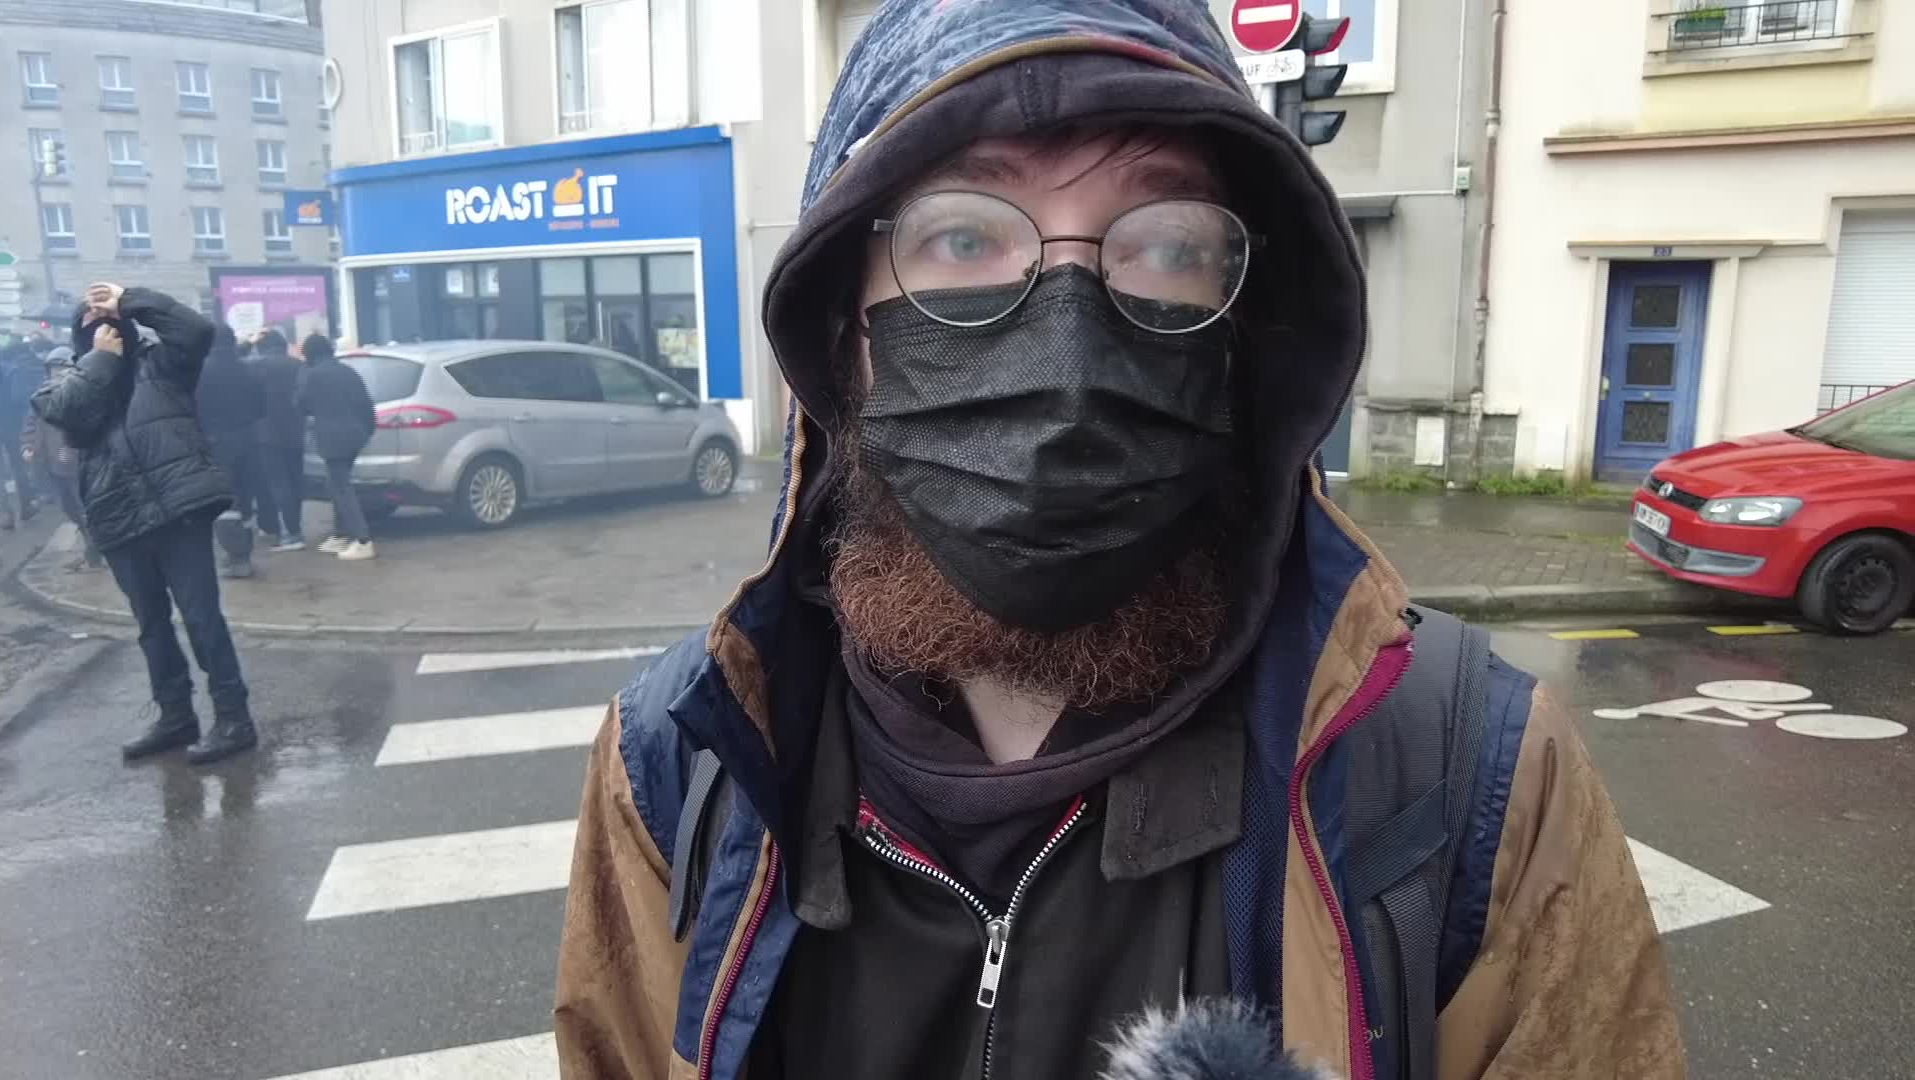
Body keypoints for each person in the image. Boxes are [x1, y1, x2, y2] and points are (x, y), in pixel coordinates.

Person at [551, 5, 1686, 1080]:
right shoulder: (679, 769)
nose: (1071, 342)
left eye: (1167, 246)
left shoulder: (1467, 776)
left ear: (1241, 337)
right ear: (840, 333)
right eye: (961, 235)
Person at [32, 282, 258, 765]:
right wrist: (100, 362)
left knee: (202, 618)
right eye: (92, 322)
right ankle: (175, 716)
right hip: (119, 518)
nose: (103, 327)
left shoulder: (161, 366)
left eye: (109, 318)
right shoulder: (71, 380)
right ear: (80, 337)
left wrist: (129, 297)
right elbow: (59, 411)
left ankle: (233, 718)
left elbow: (197, 330)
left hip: (177, 509)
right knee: (151, 625)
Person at [294, 333, 377, 561]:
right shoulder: (348, 372)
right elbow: (367, 406)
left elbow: (300, 405)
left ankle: (363, 540)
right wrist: (366, 432)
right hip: (355, 435)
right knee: (334, 484)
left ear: (309, 354)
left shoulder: (313, 375)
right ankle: (341, 534)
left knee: (340, 487)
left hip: (334, 439)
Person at [20, 345, 103, 570]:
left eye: (62, 368)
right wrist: (28, 445)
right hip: (53, 465)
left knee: (86, 511)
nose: (58, 373)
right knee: (70, 509)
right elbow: (31, 422)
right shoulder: (42, 393)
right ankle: (91, 548)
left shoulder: (82, 391)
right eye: (54, 369)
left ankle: (94, 553)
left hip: (78, 465)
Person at [194, 323, 266, 578]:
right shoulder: (249, 369)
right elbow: (261, 408)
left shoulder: (200, 371)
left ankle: (236, 557)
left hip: (215, 443)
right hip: (248, 440)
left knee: (224, 501)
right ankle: (244, 551)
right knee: (246, 500)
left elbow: (193, 410)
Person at [249, 328, 306, 551]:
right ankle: (296, 527)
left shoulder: (254, 367)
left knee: (278, 483)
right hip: (295, 430)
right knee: (295, 481)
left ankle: (291, 533)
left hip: (266, 433)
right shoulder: (298, 365)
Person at [0, 332, 46, 528]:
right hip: (10, 423)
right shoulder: (9, 370)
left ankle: (3, 514)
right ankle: (27, 503)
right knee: (18, 464)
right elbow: (20, 399)